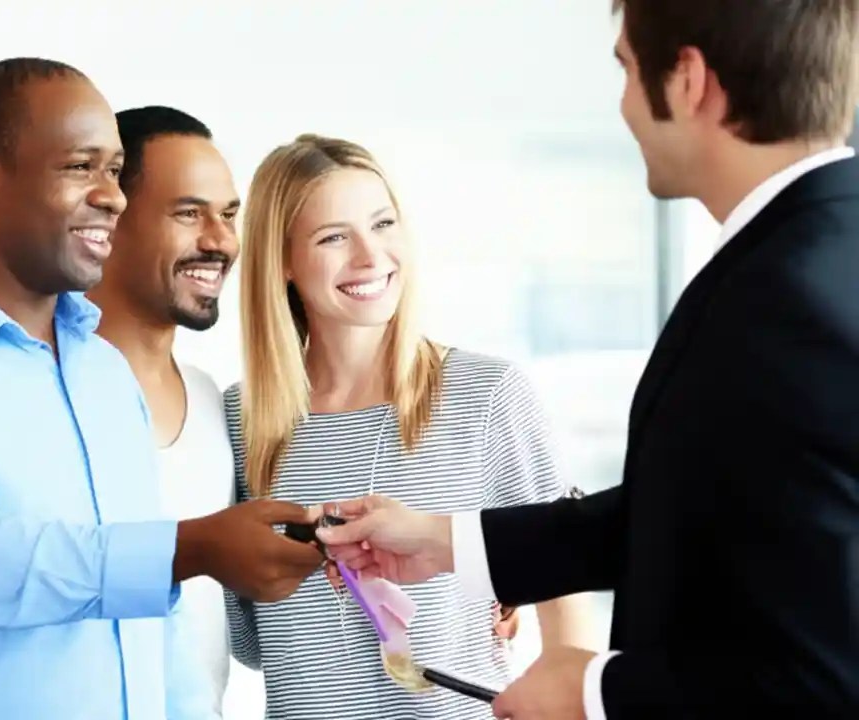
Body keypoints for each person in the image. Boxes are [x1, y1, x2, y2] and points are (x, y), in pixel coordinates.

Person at [318, 2, 859, 718]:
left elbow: (826, 678)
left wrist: (593, 691)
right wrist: (446, 542)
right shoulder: (812, 253)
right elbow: (702, 506)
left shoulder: (789, 299)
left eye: (627, 71)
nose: (625, 106)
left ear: (689, 80)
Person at [0, 58, 324, 719]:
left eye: (113, 170)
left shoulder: (102, 370)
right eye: (82, 166)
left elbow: (153, 633)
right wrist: (192, 548)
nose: (112, 195)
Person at [224, 133, 597, 720]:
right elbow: (251, 643)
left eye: (383, 224)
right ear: (283, 263)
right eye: (333, 237)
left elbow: (567, 582)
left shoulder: (487, 394)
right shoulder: (238, 422)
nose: (371, 257)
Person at [86, 105, 243, 713]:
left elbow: (241, 619)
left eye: (229, 215)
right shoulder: (43, 393)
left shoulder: (213, 401)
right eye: (189, 213)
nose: (220, 240)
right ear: (108, 219)